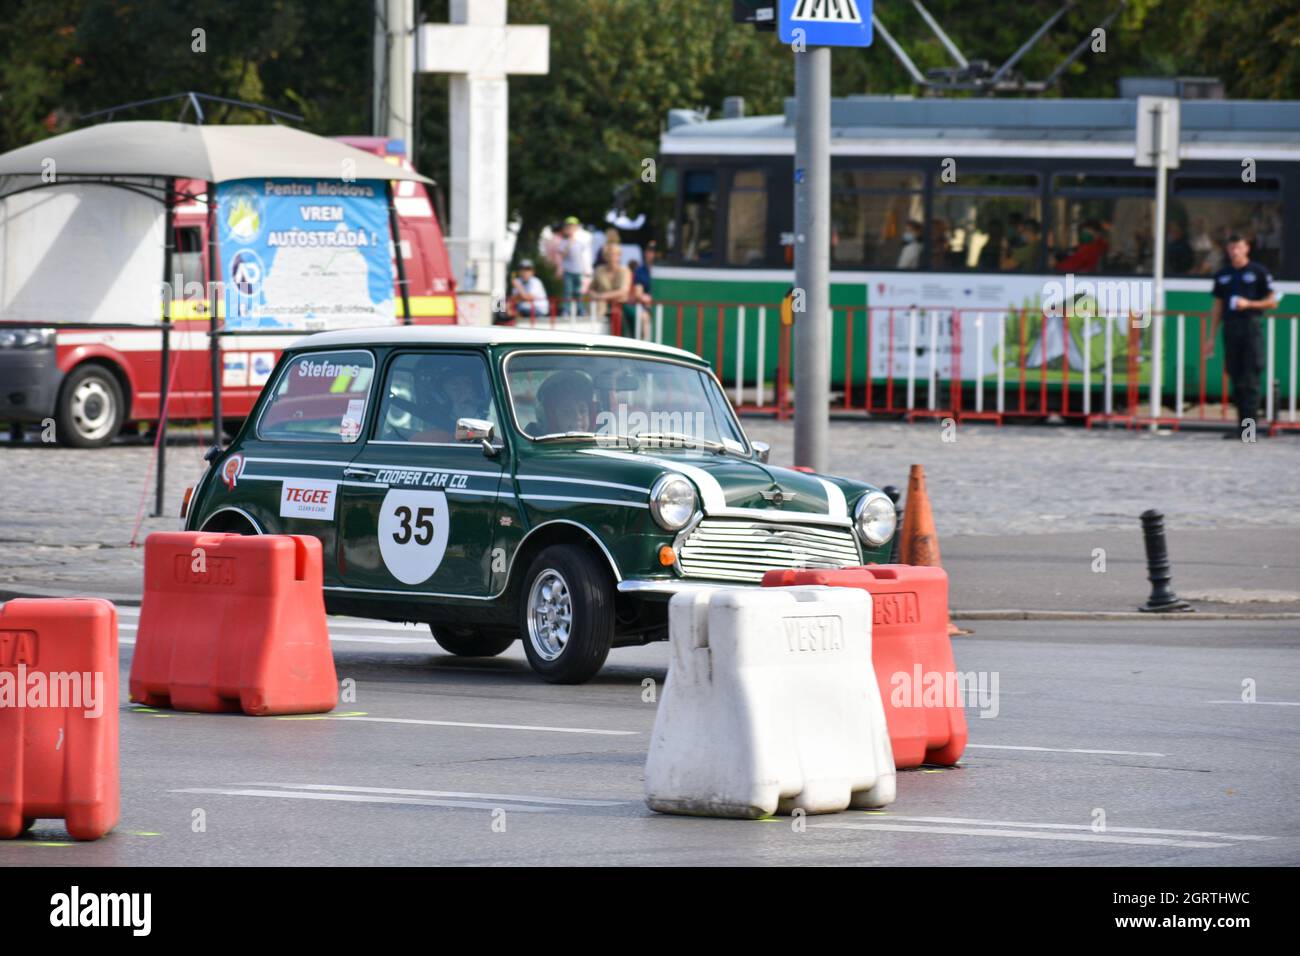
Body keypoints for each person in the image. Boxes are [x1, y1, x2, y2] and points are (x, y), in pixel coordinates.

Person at [1205, 235, 1279, 435]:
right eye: (1230, 247)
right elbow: (1217, 306)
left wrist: (1250, 304)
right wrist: (1211, 337)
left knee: (1250, 379)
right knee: (1236, 377)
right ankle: (1242, 428)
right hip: (1230, 328)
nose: (1234, 251)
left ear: (1246, 248)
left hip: (1251, 327)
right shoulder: (1223, 274)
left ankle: (1250, 431)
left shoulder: (1258, 272)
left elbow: (1273, 301)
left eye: (1238, 247)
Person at [531, 369, 596, 436]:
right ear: (551, 417)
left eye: (582, 411)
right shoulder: (537, 445)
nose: (577, 416)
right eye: (567, 411)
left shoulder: (600, 442)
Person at [589, 241, 633, 331]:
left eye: (614, 254)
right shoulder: (599, 270)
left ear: (619, 256)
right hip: (603, 305)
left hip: (622, 305)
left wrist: (603, 296)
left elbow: (623, 290)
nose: (611, 257)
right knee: (599, 309)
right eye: (609, 254)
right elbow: (591, 289)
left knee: (628, 316)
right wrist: (595, 295)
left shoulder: (624, 270)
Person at [558, 216, 592, 315]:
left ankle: (581, 309)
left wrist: (586, 269)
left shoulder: (581, 242)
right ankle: (566, 310)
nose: (570, 229)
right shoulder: (563, 242)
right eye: (568, 227)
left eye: (572, 227)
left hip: (579, 271)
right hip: (568, 271)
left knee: (579, 292)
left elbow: (584, 256)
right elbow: (562, 255)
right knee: (567, 291)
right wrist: (569, 243)